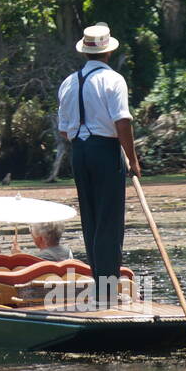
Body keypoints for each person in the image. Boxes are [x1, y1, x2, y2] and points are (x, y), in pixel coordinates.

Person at [56, 24, 140, 307]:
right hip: (105, 150)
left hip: (79, 153)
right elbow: (122, 121)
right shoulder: (113, 80)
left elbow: (64, 131)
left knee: (91, 220)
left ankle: (100, 285)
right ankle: (108, 290)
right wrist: (134, 159)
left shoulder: (68, 82)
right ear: (109, 51)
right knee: (109, 221)